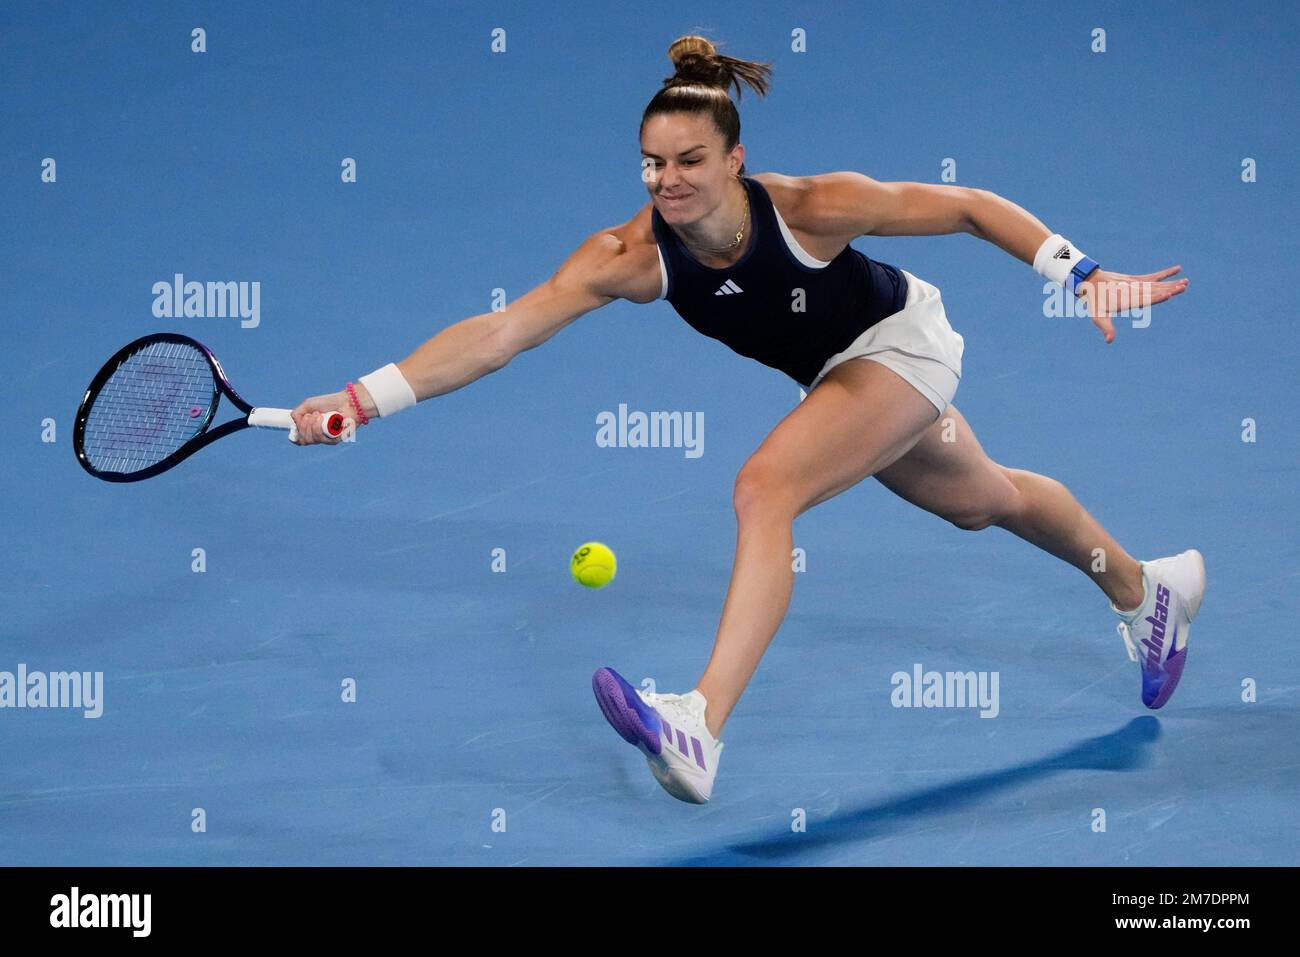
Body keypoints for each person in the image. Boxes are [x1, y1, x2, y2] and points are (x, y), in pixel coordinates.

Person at [291, 35, 1205, 805]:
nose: (669, 180)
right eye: (654, 163)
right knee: (985, 499)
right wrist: (364, 397)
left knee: (765, 487)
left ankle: (699, 724)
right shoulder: (629, 255)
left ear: (733, 158)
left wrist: (1079, 273)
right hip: (838, 375)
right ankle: (1144, 587)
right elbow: (501, 332)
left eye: (690, 161)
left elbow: (966, 207)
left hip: (903, 342)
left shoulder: (809, 208)